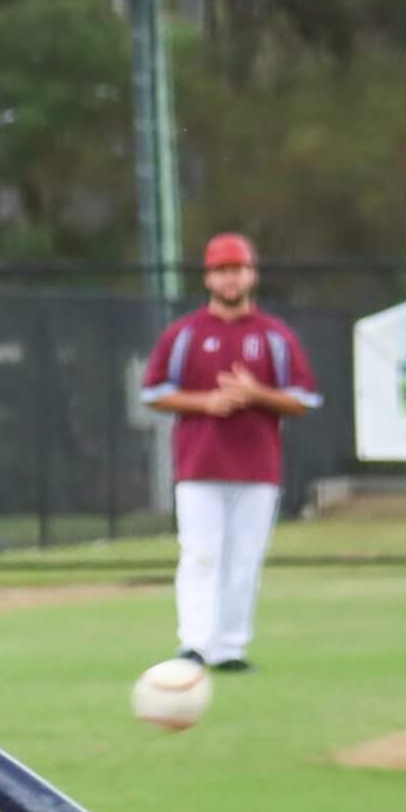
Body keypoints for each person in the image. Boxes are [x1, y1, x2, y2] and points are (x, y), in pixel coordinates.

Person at [141, 232, 320, 672]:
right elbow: (154, 392)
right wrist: (207, 402)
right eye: (221, 270)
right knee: (200, 554)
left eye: (237, 269)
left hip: (257, 467)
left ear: (251, 274)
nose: (230, 279)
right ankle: (194, 645)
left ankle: (230, 648)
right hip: (199, 464)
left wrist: (255, 392)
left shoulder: (274, 337)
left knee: (243, 561)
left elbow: (303, 399)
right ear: (208, 277)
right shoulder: (184, 334)